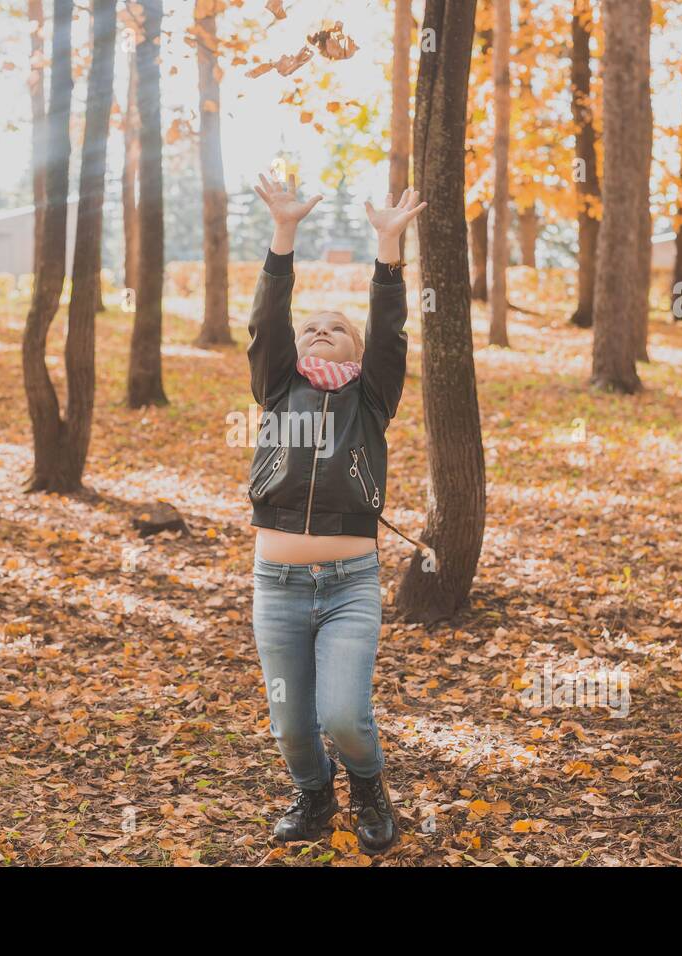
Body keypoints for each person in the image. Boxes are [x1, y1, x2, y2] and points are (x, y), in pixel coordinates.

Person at [247, 171, 425, 854]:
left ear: (354, 348)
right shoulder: (277, 387)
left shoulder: (371, 398)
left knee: (344, 715)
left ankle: (368, 785)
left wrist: (388, 248)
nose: (322, 331)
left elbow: (390, 331)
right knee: (291, 726)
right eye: (312, 328)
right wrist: (283, 233)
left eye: (337, 327)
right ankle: (314, 792)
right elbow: (268, 318)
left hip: (350, 585)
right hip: (278, 586)